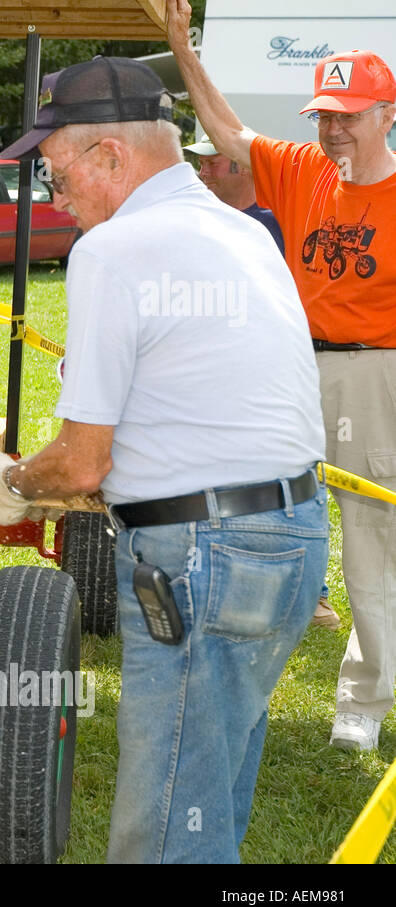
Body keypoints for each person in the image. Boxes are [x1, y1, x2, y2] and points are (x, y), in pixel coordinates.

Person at [0, 55, 328, 863]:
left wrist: (9, 485)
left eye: (57, 176)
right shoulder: (242, 231)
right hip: (291, 536)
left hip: (204, 556)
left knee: (163, 832)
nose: (56, 197)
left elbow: (82, 464)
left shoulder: (115, 251)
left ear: (110, 157)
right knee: (210, 798)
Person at [167, 0, 396, 751]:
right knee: (264, 519)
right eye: (324, 115)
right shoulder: (301, 171)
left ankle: (363, 701)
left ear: (386, 116)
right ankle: (236, 675)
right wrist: (182, 48)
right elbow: (229, 132)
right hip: (294, 368)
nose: (332, 129)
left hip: (375, 374)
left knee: (371, 538)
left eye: (349, 116)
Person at [185, 134, 343, 631]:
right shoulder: (201, 221)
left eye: (210, 165)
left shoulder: (281, 223)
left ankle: (311, 594)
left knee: (296, 471)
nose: (203, 174)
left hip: (277, 369)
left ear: (239, 167)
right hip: (218, 369)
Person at [184, 135, 285, 254]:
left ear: (243, 166)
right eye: (201, 164)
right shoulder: (197, 218)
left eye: (212, 163)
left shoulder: (277, 224)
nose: (203, 172)